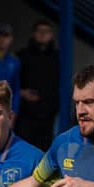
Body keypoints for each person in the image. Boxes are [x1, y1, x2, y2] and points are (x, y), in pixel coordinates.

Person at [16, 20, 60, 149]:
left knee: (43, 151)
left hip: (48, 114)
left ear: (51, 35)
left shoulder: (58, 58)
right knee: (23, 149)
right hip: (25, 113)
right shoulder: (21, 56)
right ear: (33, 34)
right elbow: (12, 82)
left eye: (46, 31)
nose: (42, 34)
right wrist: (22, 92)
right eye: (39, 31)